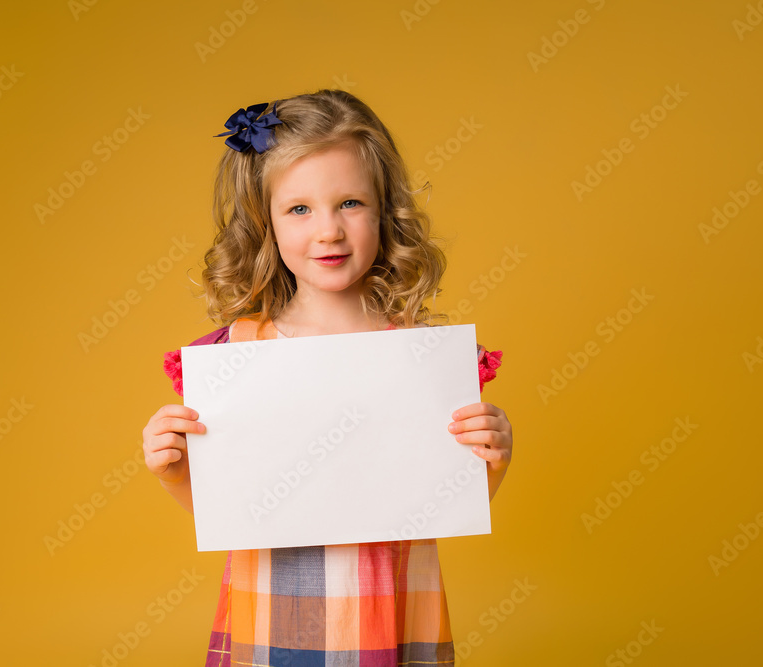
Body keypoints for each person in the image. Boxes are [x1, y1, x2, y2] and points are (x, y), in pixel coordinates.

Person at [141, 89, 513, 666]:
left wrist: (491, 460)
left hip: (390, 605)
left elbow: (447, 498)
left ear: (385, 211)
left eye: (350, 203)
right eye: (299, 209)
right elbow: (228, 506)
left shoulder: (418, 357)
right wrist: (172, 473)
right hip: (275, 607)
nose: (329, 231)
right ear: (264, 223)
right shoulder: (237, 355)